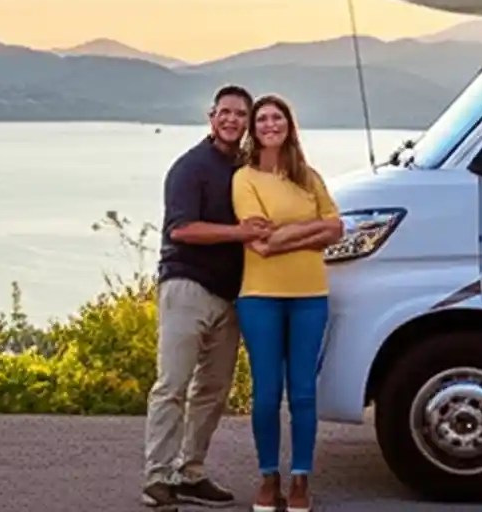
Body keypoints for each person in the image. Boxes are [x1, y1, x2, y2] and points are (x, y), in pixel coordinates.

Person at [142, 84, 272, 510]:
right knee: (172, 385)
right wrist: (240, 232)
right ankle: (157, 478)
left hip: (230, 295)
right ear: (211, 116)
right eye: (225, 112)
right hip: (186, 287)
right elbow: (181, 230)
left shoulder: (249, 170)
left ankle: (190, 471)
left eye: (240, 114)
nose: (232, 120)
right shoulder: (190, 167)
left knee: (213, 390)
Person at [230, 94, 343, 512]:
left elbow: (338, 227)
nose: (270, 125)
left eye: (277, 118)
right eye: (262, 119)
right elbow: (260, 243)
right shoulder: (244, 179)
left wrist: (289, 234)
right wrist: (312, 230)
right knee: (265, 394)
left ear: (289, 126)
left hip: (310, 295)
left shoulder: (307, 177)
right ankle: (267, 477)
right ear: (254, 130)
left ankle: (299, 480)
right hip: (259, 298)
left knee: (303, 394)